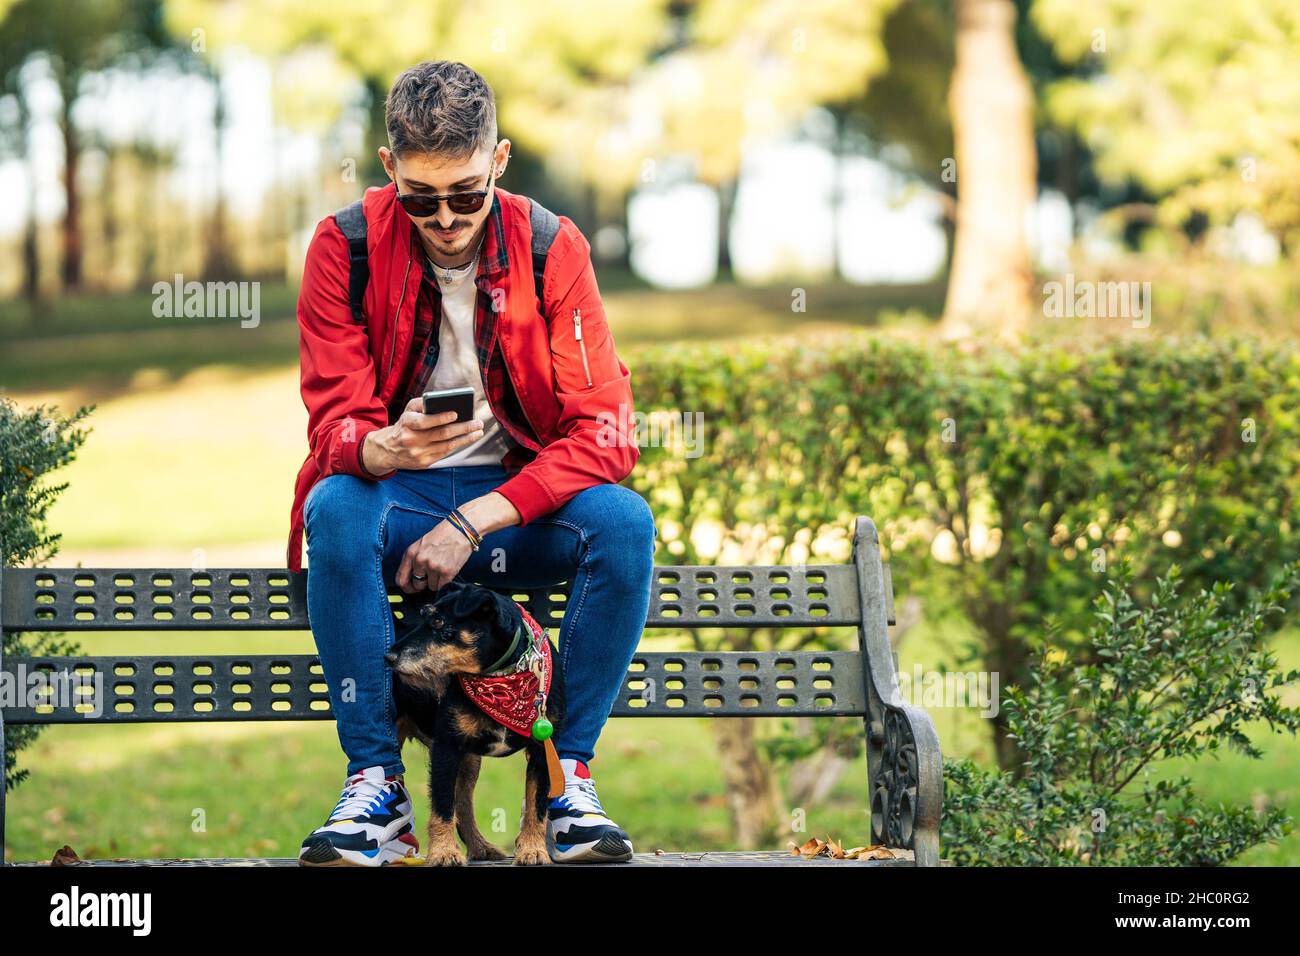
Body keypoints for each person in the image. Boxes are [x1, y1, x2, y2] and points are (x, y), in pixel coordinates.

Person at [286, 60, 655, 866]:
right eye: (421, 197)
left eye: (466, 193)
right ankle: (377, 787)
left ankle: (564, 782)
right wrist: (375, 447)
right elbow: (332, 427)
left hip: (513, 506)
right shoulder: (342, 247)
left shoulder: (554, 248)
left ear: (500, 160)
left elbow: (608, 435)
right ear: (389, 170)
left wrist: (474, 518)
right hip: (399, 500)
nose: (446, 217)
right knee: (336, 507)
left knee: (623, 526)